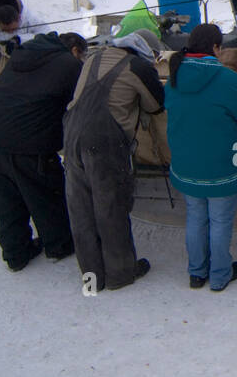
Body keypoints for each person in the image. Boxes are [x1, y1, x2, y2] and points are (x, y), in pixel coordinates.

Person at [62, 27, 164, 291]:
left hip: (71, 133)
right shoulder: (138, 66)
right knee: (111, 207)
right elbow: (155, 104)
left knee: (81, 209)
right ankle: (120, 273)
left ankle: (92, 277)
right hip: (105, 142)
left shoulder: (95, 55)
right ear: (147, 52)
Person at [0, 31, 87, 272]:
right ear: (74, 51)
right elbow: (79, 102)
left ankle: (15, 253)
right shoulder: (69, 64)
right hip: (32, 147)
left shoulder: (20, 57)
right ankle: (59, 245)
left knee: (7, 202)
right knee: (47, 196)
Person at [165, 24, 237, 291]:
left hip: (185, 162)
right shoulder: (226, 78)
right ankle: (219, 275)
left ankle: (196, 272)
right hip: (221, 163)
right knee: (219, 220)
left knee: (195, 217)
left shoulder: (173, 75)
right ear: (217, 48)